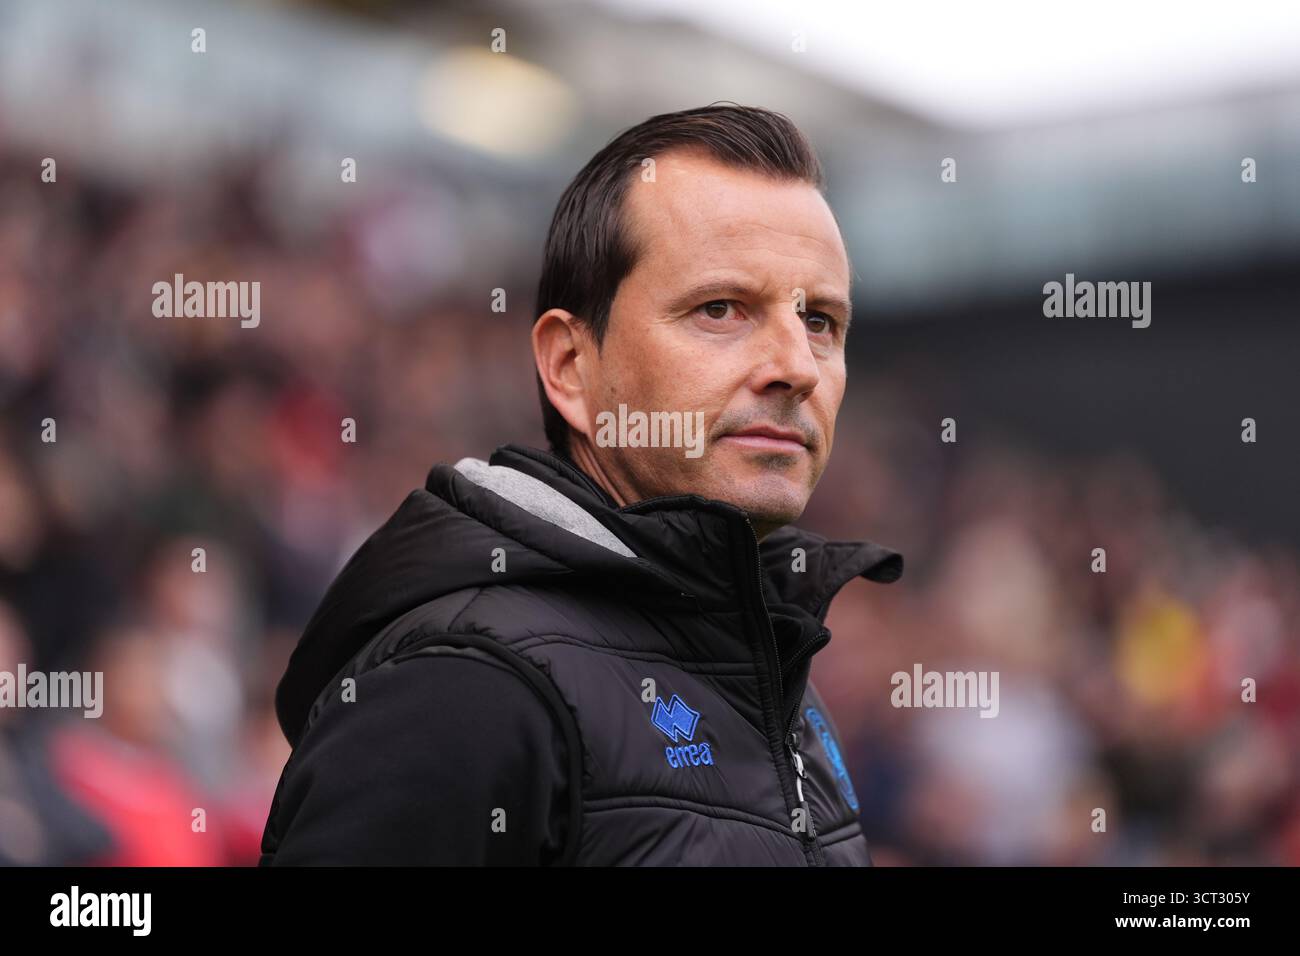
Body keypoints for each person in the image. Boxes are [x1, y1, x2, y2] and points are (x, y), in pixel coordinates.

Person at [259, 103, 903, 866]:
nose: (797, 365)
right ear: (570, 366)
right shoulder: (461, 687)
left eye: (821, 321)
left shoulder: (769, 668)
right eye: (722, 309)